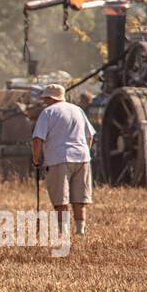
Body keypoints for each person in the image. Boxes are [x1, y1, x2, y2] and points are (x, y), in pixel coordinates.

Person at [31, 83, 95, 236]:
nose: (45, 102)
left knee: (61, 199)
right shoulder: (77, 110)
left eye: (46, 98)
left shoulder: (48, 112)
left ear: (50, 98)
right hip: (82, 157)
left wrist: (36, 160)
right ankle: (80, 232)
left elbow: (37, 140)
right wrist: (85, 151)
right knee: (80, 199)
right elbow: (90, 136)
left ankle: (64, 232)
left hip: (58, 158)